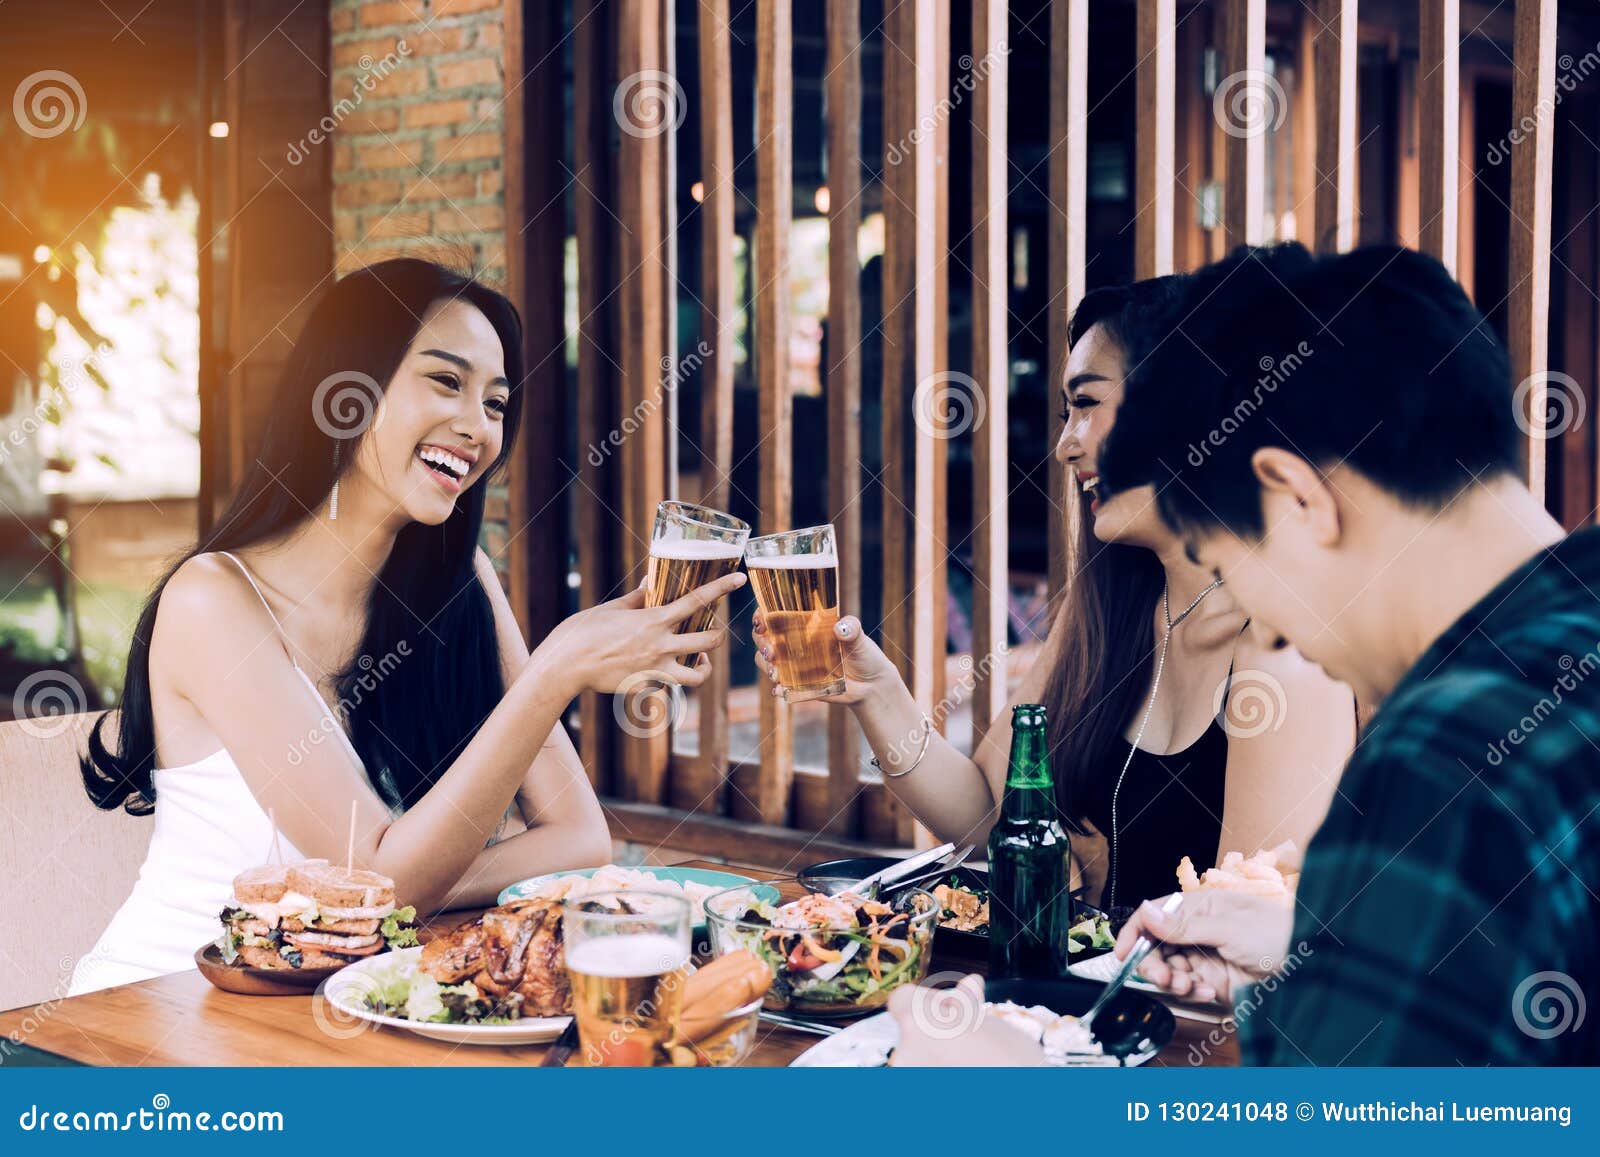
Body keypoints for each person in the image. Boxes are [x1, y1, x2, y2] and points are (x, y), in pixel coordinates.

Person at [72, 259, 744, 994]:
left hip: (337, 1014)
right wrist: (554, 674)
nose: (477, 426)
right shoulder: (212, 600)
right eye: (446, 381)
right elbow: (385, 880)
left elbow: (580, 841)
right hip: (154, 1015)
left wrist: (405, 885)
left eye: (495, 403)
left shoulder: (458, 584)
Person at [1096, 242, 1599, 1064]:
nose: (1264, 634)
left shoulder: (1450, 747)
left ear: (1297, 497)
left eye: (1225, 568)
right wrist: (1334, 959)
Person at [757, 277, 1356, 911]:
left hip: (1164, 1011)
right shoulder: (1109, 608)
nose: (1066, 444)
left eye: (1088, 404)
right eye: (1066, 414)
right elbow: (990, 814)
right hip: (1068, 1006)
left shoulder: (1285, 655)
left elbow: (1248, 941)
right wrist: (877, 694)